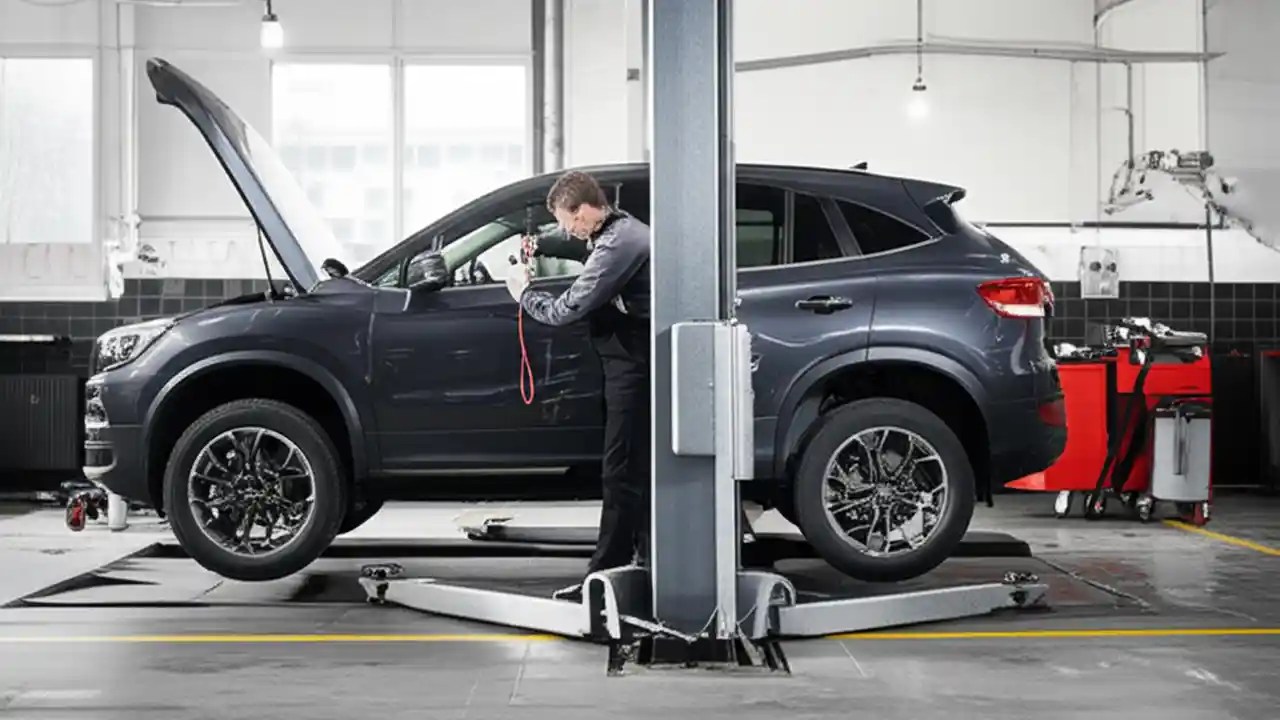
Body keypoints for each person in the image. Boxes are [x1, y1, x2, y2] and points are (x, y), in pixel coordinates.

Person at [504, 170, 651, 602]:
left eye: (569, 221)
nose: (568, 230)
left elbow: (569, 307)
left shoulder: (620, 244)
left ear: (586, 210)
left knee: (621, 471)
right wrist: (541, 243)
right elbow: (577, 243)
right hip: (625, 363)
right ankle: (636, 564)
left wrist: (524, 294)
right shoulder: (618, 228)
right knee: (631, 470)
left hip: (635, 367)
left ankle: (603, 579)